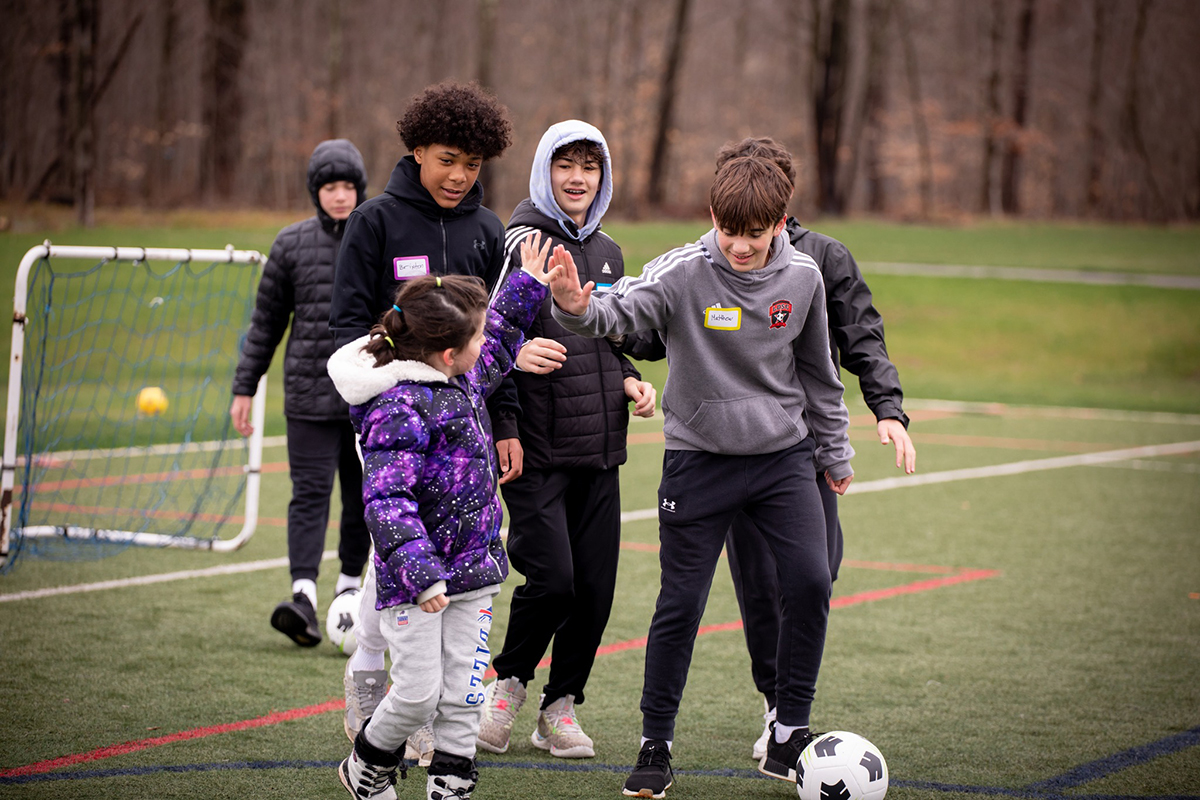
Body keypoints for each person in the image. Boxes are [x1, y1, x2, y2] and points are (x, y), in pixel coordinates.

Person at [548, 156, 855, 798]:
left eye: (759, 231)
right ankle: (655, 745)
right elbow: (620, 313)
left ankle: (789, 731)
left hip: (783, 461)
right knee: (680, 605)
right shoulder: (682, 271)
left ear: (780, 220)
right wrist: (578, 309)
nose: (742, 246)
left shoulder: (803, 277)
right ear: (713, 216)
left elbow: (820, 375)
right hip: (698, 464)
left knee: (809, 580)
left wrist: (835, 454)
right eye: (730, 230)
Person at [327, 234, 558, 800]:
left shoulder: (461, 377)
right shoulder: (396, 408)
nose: (486, 342)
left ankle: (452, 785)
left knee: (463, 696)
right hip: (417, 585)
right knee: (416, 696)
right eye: (473, 336)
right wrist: (422, 575)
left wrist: (527, 284)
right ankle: (366, 765)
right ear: (448, 353)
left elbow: (499, 339)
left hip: (474, 573)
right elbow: (388, 502)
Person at [713, 137, 917, 762]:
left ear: (784, 200)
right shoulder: (707, 261)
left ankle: (787, 697)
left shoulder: (824, 257)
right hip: (733, 447)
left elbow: (862, 336)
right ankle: (778, 708)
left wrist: (887, 409)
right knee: (757, 582)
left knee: (815, 574)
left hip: (804, 446)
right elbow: (665, 324)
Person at [328, 81, 515, 756]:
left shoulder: (487, 231)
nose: (460, 175)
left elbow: (494, 340)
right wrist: (383, 402)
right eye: (447, 159)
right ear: (416, 151)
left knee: (413, 550)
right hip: (392, 419)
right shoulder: (374, 222)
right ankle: (376, 682)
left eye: (472, 163)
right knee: (399, 539)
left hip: (465, 421)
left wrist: (506, 423)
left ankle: (401, 689)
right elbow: (347, 323)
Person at [475, 121, 657, 760]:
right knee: (552, 580)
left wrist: (632, 380)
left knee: (596, 590)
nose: (578, 178)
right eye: (564, 165)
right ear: (543, 172)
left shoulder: (608, 251)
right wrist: (504, 421)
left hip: (600, 447)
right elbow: (488, 339)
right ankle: (508, 685)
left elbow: (609, 335)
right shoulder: (519, 241)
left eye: (590, 166)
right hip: (536, 446)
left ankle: (561, 706)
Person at [230, 138, 371, 647]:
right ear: (316, 192)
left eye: (347, 185)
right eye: (329, 186)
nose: (339, 195)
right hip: (308, 400)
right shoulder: (289, 245)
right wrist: (245, 387)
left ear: (360, 188)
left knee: (362, 500)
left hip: (368, 399)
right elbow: (265, 325)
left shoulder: (377, 237)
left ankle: (349, 593)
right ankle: (304, 597)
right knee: (309, 496)